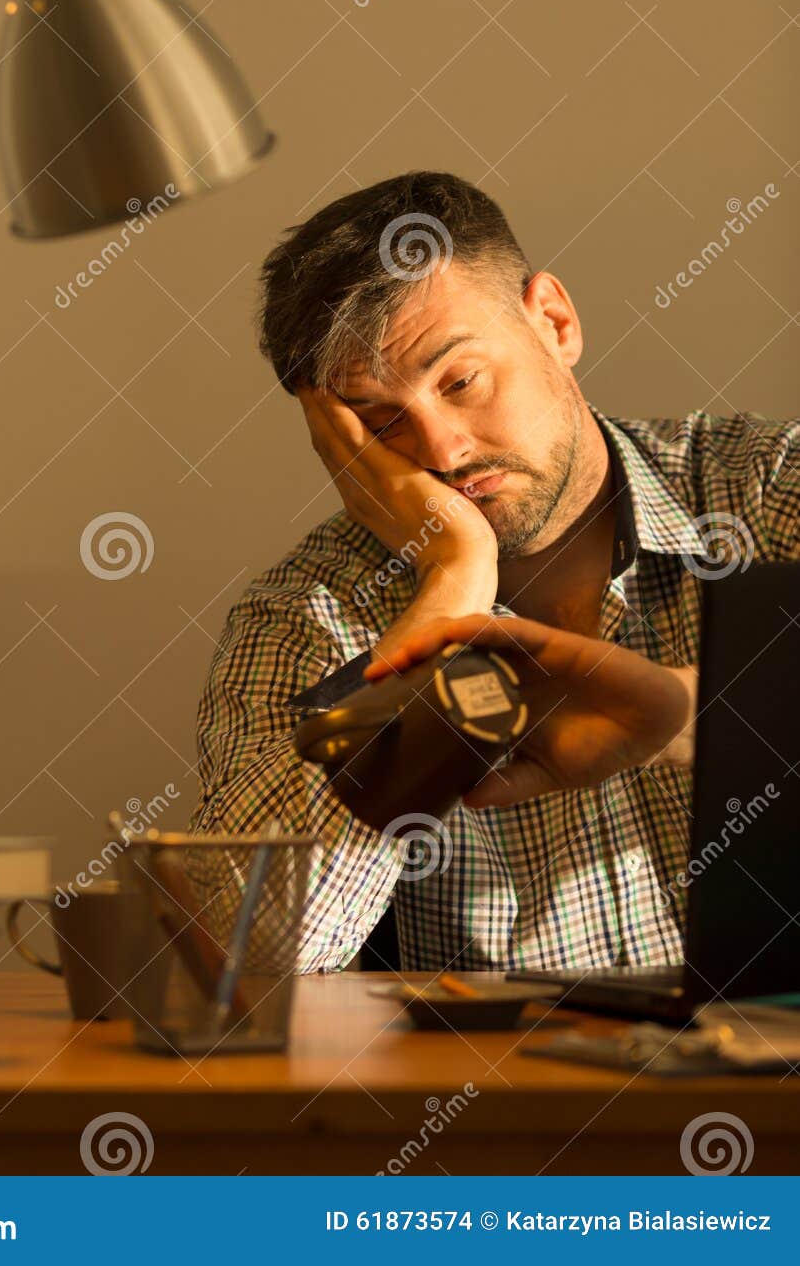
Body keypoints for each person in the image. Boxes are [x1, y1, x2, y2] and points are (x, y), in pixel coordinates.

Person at [190, 172, 799, 972]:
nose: (443, 451)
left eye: (460, 382)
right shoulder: (306, 617)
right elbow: (240, 955)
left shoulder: (765, 488)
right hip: (503, 1095)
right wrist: (450, 580)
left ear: (552, 321)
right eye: (381, 423)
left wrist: (690, 716)